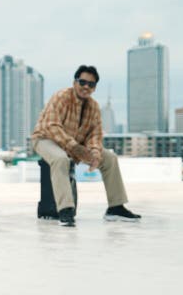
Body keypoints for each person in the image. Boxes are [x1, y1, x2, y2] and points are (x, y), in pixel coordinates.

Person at [31, 65, 140, 227]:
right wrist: (75, 148)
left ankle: (115, 207)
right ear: (75, 82)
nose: (86, 87)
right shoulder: (61, 97)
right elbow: (52, 126)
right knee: (61, 159)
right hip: (46, 139)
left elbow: (95, 134)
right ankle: (65, 210)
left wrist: (95, 153)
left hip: (74, 144)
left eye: (91, 84)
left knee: (109, 158)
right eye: (82, 82)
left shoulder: (94, 107)